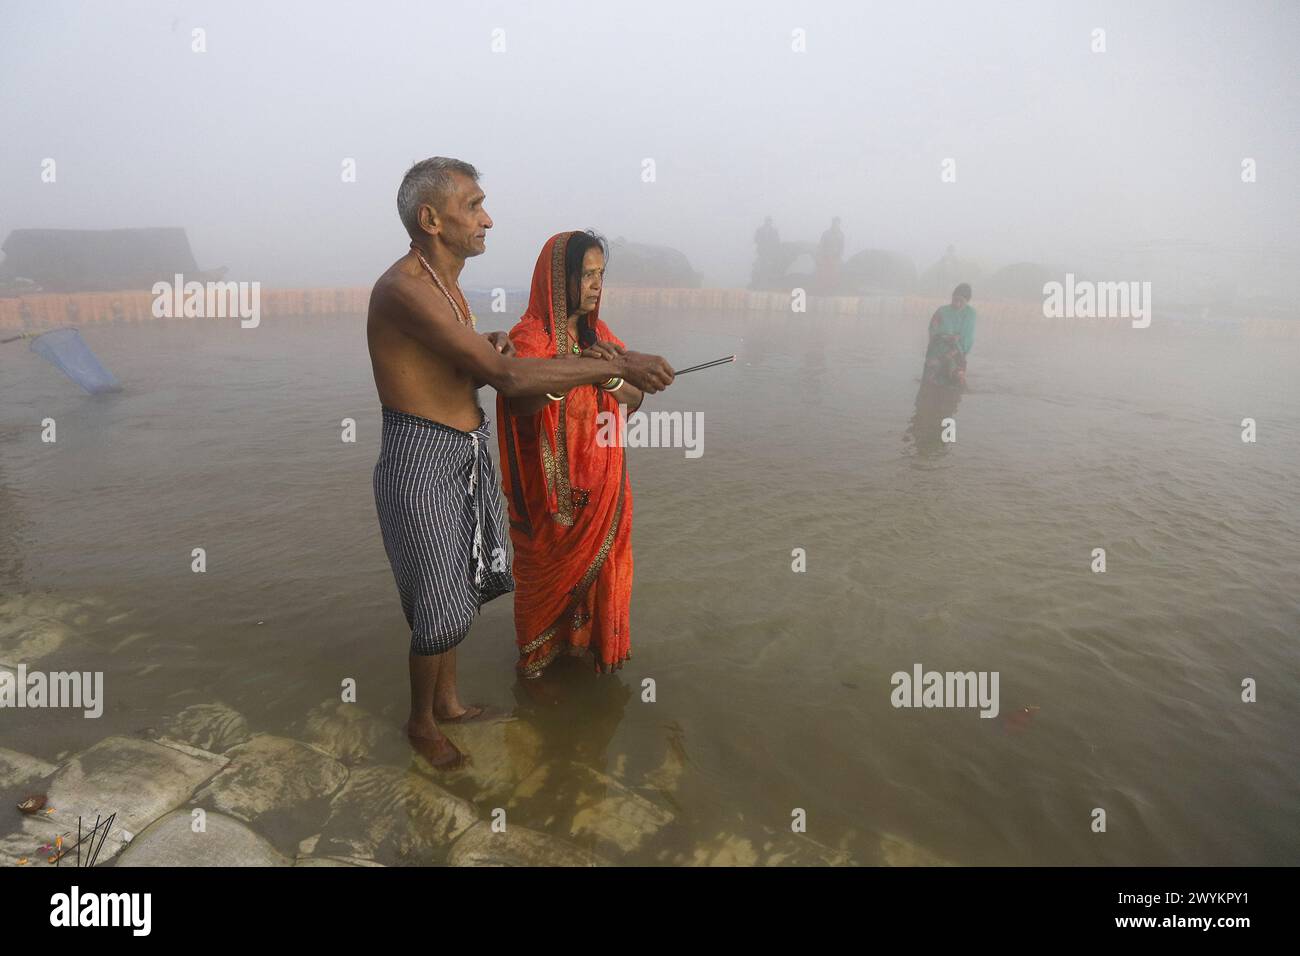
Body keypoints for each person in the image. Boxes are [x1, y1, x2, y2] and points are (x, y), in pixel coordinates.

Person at [366, 159, 674, 768]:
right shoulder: (403, 288)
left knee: (458, 588)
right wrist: (616, 365)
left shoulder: (445, 286)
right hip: (421, 452)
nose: (488, 219)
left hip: (462, 446)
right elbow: (508, 380)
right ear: (431, 219)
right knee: (435, 602)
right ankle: (421, 724)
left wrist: (489, 346)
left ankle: (448, 703)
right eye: (474, 206)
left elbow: (472, 364)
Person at [496, 231, 643, 680]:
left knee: (597, 591)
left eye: (601, 274)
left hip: (603, 496)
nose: (597, 285)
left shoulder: (601, 335)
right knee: (541, 597)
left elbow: (635, 397)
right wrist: (588, 367)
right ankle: (537, 684)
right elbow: (523, 400)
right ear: (559, 279)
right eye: (587, 274)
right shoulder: (529, 340)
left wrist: (610, 376)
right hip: (549, 506)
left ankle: (586, 673)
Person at [923, 282, 977, 388]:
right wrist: (939, 343)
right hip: (937, 350)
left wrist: (952, 353)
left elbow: (967, 337)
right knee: (929, 383)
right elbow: (932, 330)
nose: (957, 303)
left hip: (957, 352)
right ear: (952, 297)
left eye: (961, 301)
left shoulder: (970, 314)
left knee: (957, 382)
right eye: (955, 299)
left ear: (967, 301)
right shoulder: (942, 311)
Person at [816, 217, 845, 292]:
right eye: (835, 222)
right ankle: (824, 288)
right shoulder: (826, 233)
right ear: (832, 223)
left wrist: (839, 255)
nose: (836, 224)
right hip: (826, 257)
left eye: (838, 223)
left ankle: (833, 288)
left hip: (835, 258)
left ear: (839, 224)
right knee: (825, 273)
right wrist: (821, 255)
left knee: (834, 273)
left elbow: (842, 246)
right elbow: (821, 245)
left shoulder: (841, 235)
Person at [752, 216, 780, 287]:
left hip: (770, 251)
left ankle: (768, 279)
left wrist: (773, 247)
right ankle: (760, 279)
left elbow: (777, 240)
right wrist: (762, 243)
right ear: (765, 222)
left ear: (771, 222)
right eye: (767, 221)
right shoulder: (759, 230)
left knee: (769, 265)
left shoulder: (774, 231)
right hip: (762, 251)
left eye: (769, 221)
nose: (768, 222)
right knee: (761, 264)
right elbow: (756, 239)